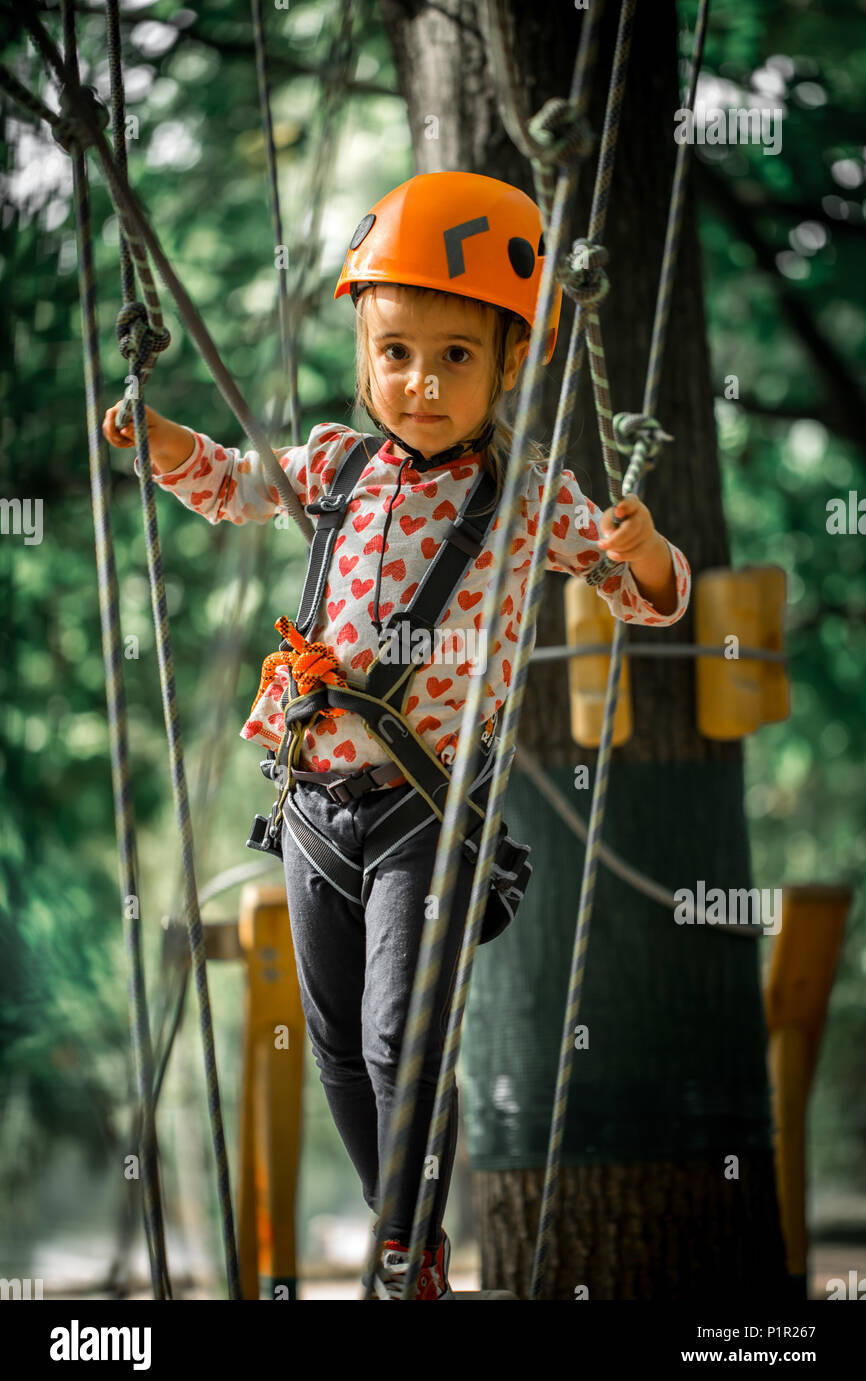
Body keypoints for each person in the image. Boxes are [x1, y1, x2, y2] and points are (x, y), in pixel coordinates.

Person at [103, 171, 691, 1299]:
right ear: (366, 354)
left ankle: (399, 1242)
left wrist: (645, 544)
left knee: (393, 1038)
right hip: (316, 802)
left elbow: (643, 597)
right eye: (395, 352)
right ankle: (406, 1238)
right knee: (332, 1045)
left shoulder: (529, 498)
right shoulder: (337, 464)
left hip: (428, 813)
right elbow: (231, 485)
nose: (419, 381)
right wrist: (161, 435)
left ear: (509, 362)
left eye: (455, 356)